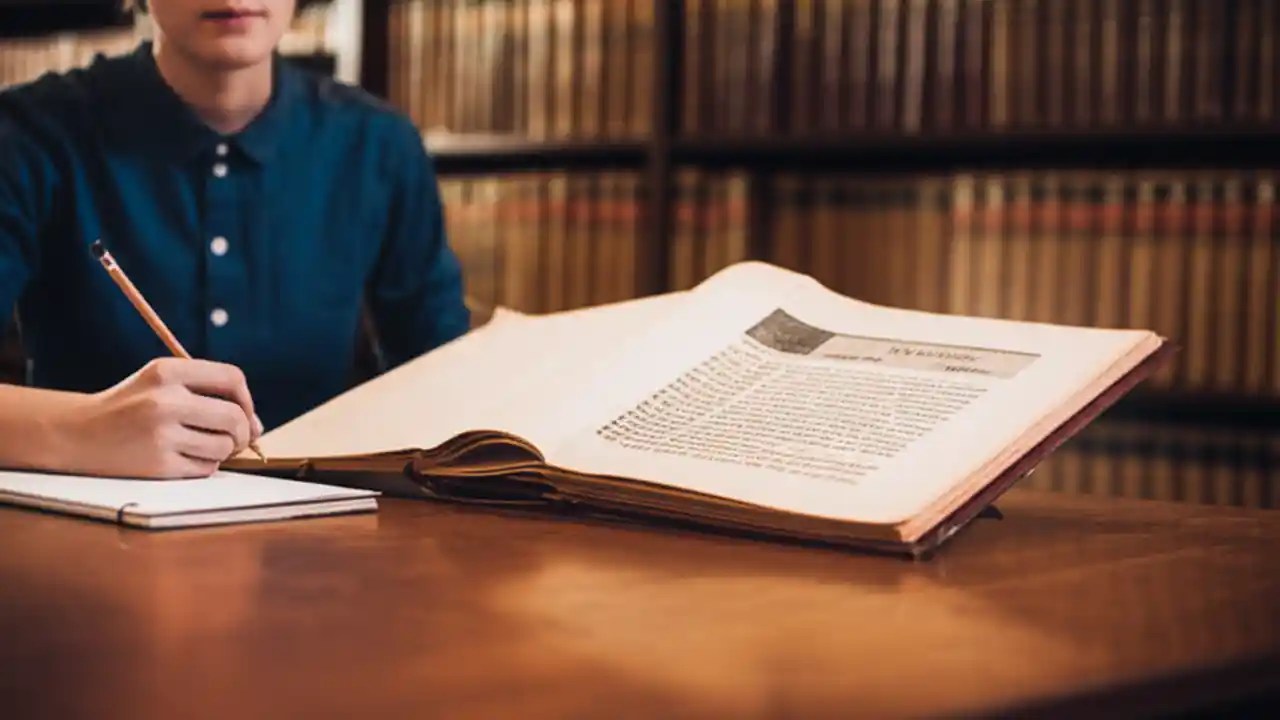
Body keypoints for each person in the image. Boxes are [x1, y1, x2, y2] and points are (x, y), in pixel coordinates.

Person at [0, 0, 470, 479]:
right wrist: (87, 431)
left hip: (325, 534)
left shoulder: (378, 144)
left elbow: (449, 385)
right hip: (89, 535)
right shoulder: (31, 133)